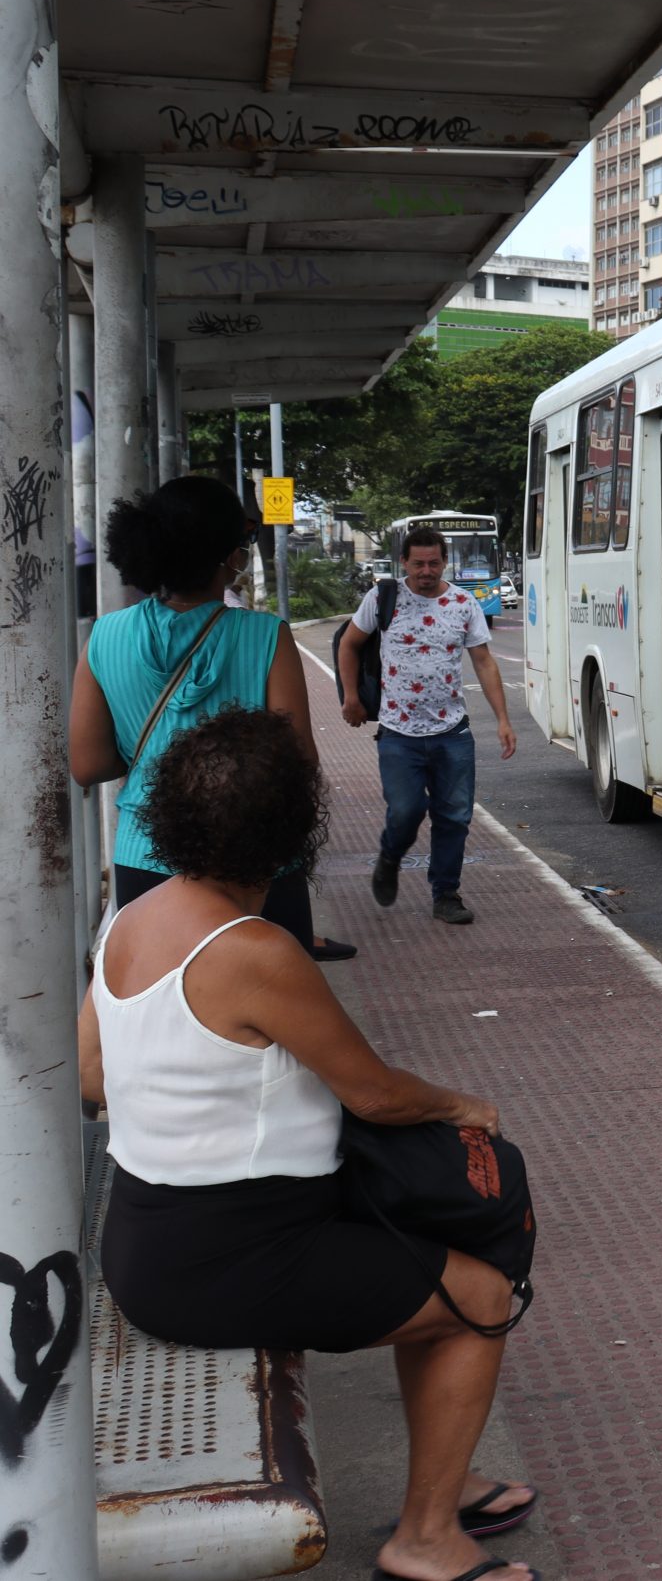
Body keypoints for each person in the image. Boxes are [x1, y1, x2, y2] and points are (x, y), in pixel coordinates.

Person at [77, 709, 539, 1581]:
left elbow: (94, 1075)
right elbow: (370, 1089)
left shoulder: (129, 919)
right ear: (289, 831)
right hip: (235, 1258)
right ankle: (425, 1538)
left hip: (143, 1246)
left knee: (418, 1258)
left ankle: (446, 1474)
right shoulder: (253, 949)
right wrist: (465, 1105)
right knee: (481, 1295)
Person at [70, 476, 356, 962]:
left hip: (145, 855)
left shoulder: (104, 637)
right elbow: (298, 760)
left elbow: (88, 765)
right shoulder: (266, 636)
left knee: (164, 1006)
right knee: (267, 1012)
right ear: (230, 555)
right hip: (258, 860)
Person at [337, 525, 516, 926]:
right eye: (418, 563)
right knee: (406, 810)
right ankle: (390, 855)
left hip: (452, 734)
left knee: (454, 817)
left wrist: (503, 719)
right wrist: (351, 696)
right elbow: (349, 644)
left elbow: (484, 661)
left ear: (444, 562)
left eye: (434, 563)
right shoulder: (383, 598)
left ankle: (446, 894)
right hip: (398, 734)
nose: (426, 571)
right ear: (404, 562)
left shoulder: (462, 603)